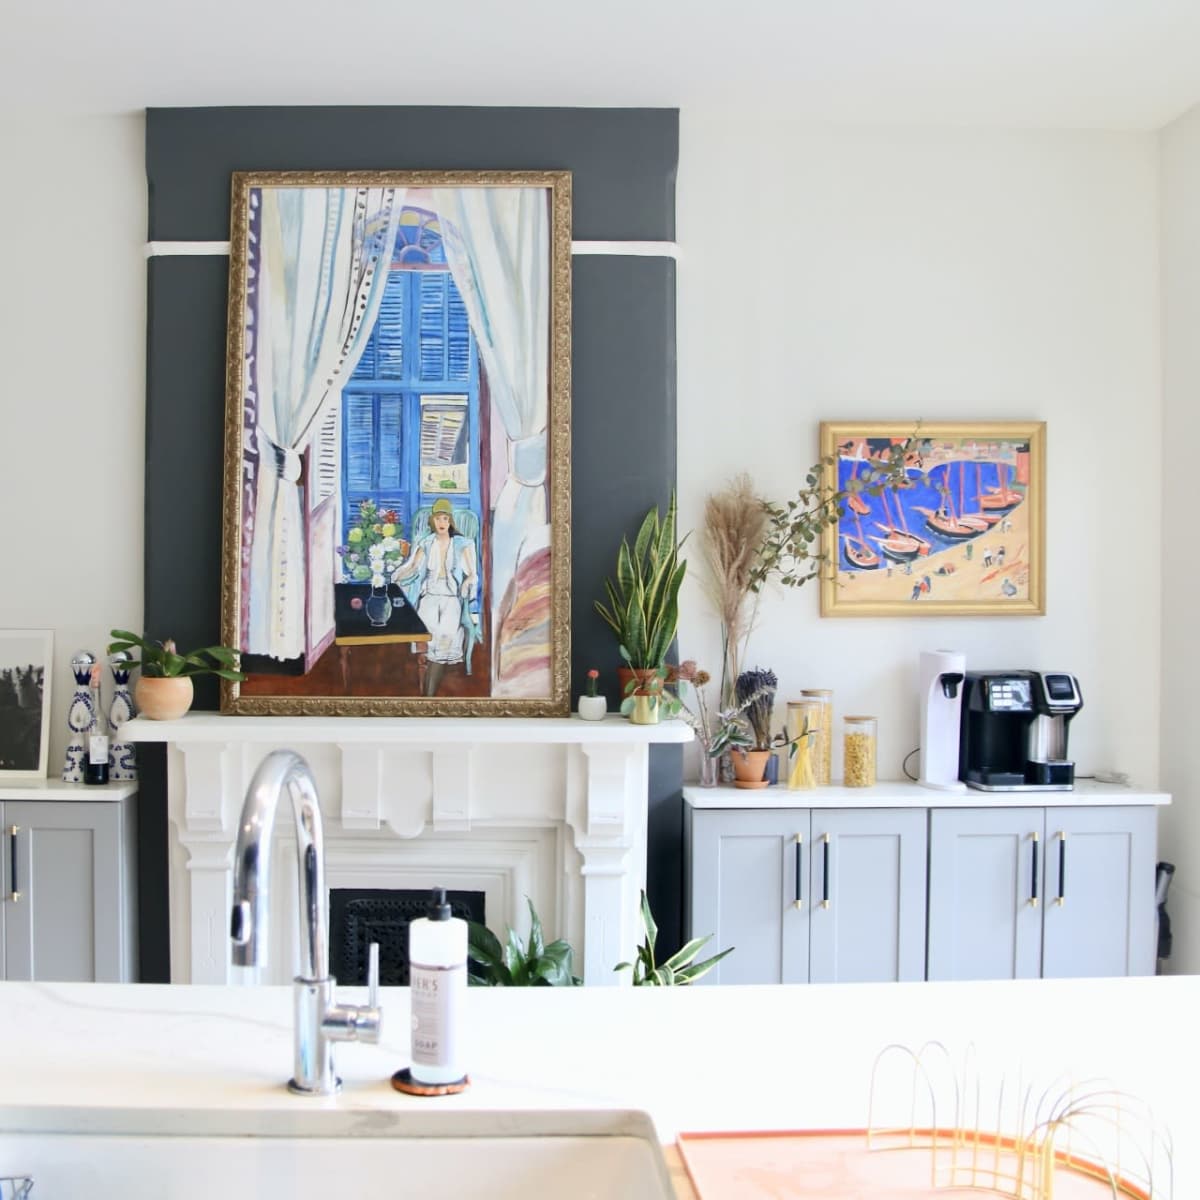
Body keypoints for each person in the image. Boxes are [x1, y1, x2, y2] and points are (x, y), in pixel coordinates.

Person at [392, 499, 479, 695]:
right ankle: (428, 691)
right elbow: (413, 567)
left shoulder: (463, 544)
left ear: (450, 521)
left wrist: (467, 583)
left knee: (447, 635)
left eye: (445, 518)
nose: (442, 522)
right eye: (438, 518)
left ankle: (428, 693)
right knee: (427, 634)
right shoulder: (426, 543)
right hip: (430, 594)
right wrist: (395, 577)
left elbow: (473, 574)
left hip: (450, 596)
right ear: (432, 520)